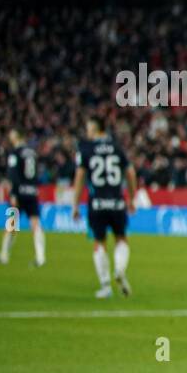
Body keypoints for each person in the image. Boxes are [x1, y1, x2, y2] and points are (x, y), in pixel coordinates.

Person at [69, 117, 136, 298]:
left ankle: (105, 286)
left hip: (96, 203)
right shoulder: (117, 147)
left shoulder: (87, 150)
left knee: (99, 242)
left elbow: (80, 176)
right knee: (121, 239)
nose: (87, 132)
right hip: (117, 201)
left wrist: (75, 204)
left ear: (95, 129)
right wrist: (132, 198)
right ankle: (120, 269)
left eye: (88, 128)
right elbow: (130, 173)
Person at [0, 128, 46, 268]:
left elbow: (13, 175)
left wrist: (13, 194)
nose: (10, 138)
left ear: (16, 137)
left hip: (18, 192)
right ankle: (41, 257)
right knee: (35, 223)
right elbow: (36, 174)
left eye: (11, 135)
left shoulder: (15, 153)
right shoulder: (33, 153)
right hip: (32, 192)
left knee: (11, 224)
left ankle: (4, 255)